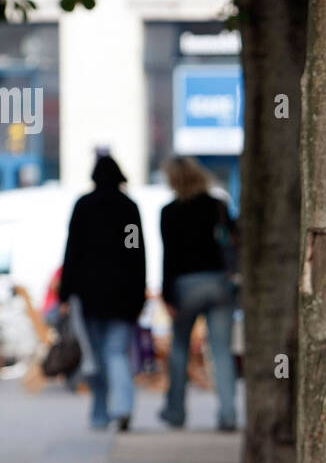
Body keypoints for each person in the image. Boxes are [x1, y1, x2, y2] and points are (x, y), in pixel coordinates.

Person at [59, 154, 146, 430]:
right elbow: (135, 252)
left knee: (95, 355)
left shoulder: (84, 207)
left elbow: (73, 250)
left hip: (90, 294)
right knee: (116, 352)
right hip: (122, 294)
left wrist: (65, 292)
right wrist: (139, 291)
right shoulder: (128, 208)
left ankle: (99, 413)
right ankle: (122, 406)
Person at [159, 156, 238, 432]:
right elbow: (233, 240)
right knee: (221, 351)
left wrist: (167, 296)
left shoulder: (169, 212)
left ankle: (176, 410)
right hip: (219, 283)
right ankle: (228, 414)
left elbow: (169, 257)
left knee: (180, 349)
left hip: (186, 285)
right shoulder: (217, 205)